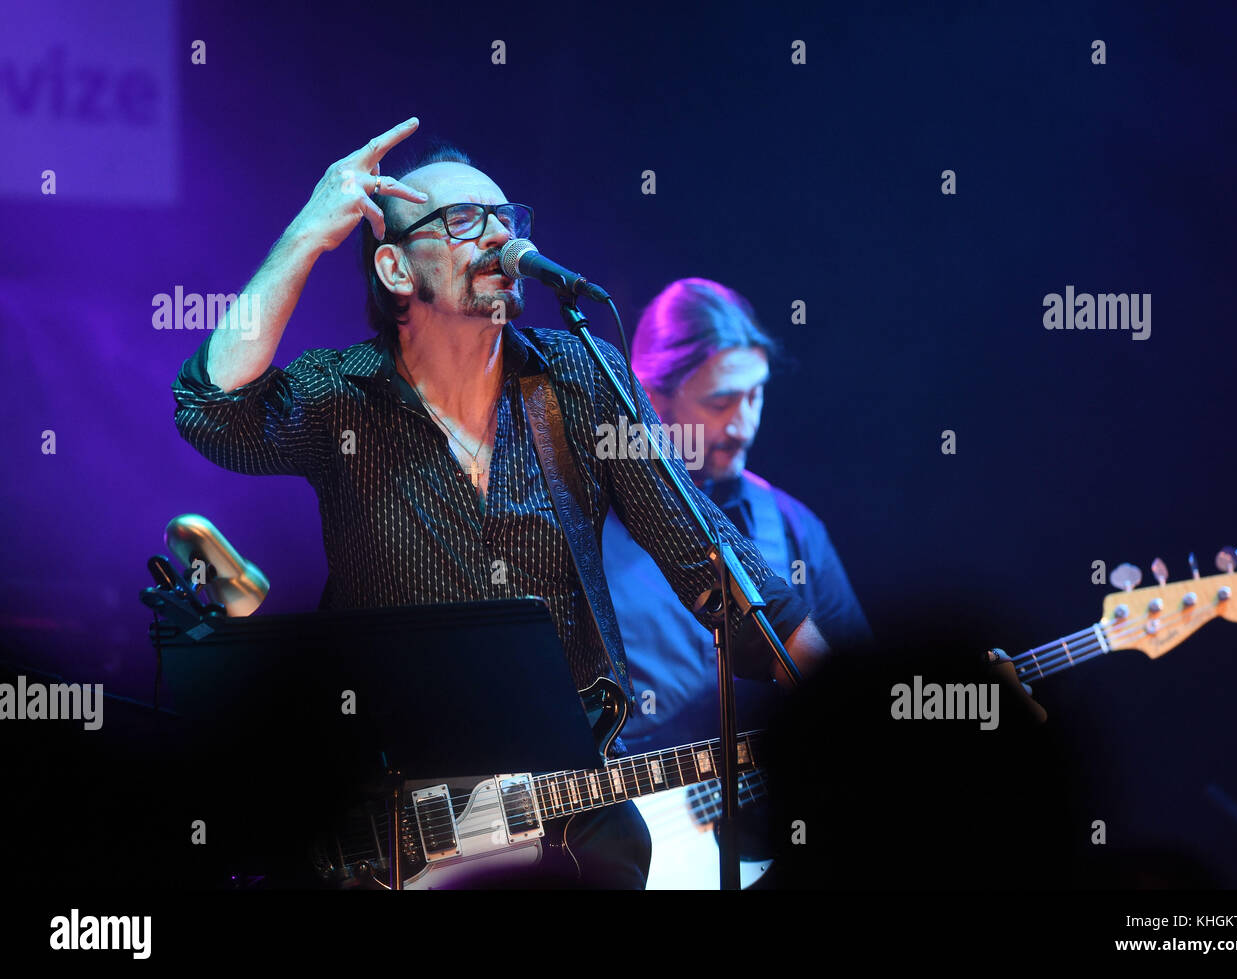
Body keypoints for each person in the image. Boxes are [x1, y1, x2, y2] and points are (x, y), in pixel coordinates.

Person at [170, 119, 829, 888]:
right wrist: (309, 233)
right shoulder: (340, 394)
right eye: (460, 220)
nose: (496, 236)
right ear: (394, 267)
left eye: (506, 218)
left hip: (566, 809)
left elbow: (716, 565)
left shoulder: (580, 378)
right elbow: (212, 408)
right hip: (394, 819)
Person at [607, 278, 870, 758]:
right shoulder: (582, 522)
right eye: (720, 402)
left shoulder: (794, 527)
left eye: (755, 396)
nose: (743, 425)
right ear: (649, 396)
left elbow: (861, 690)